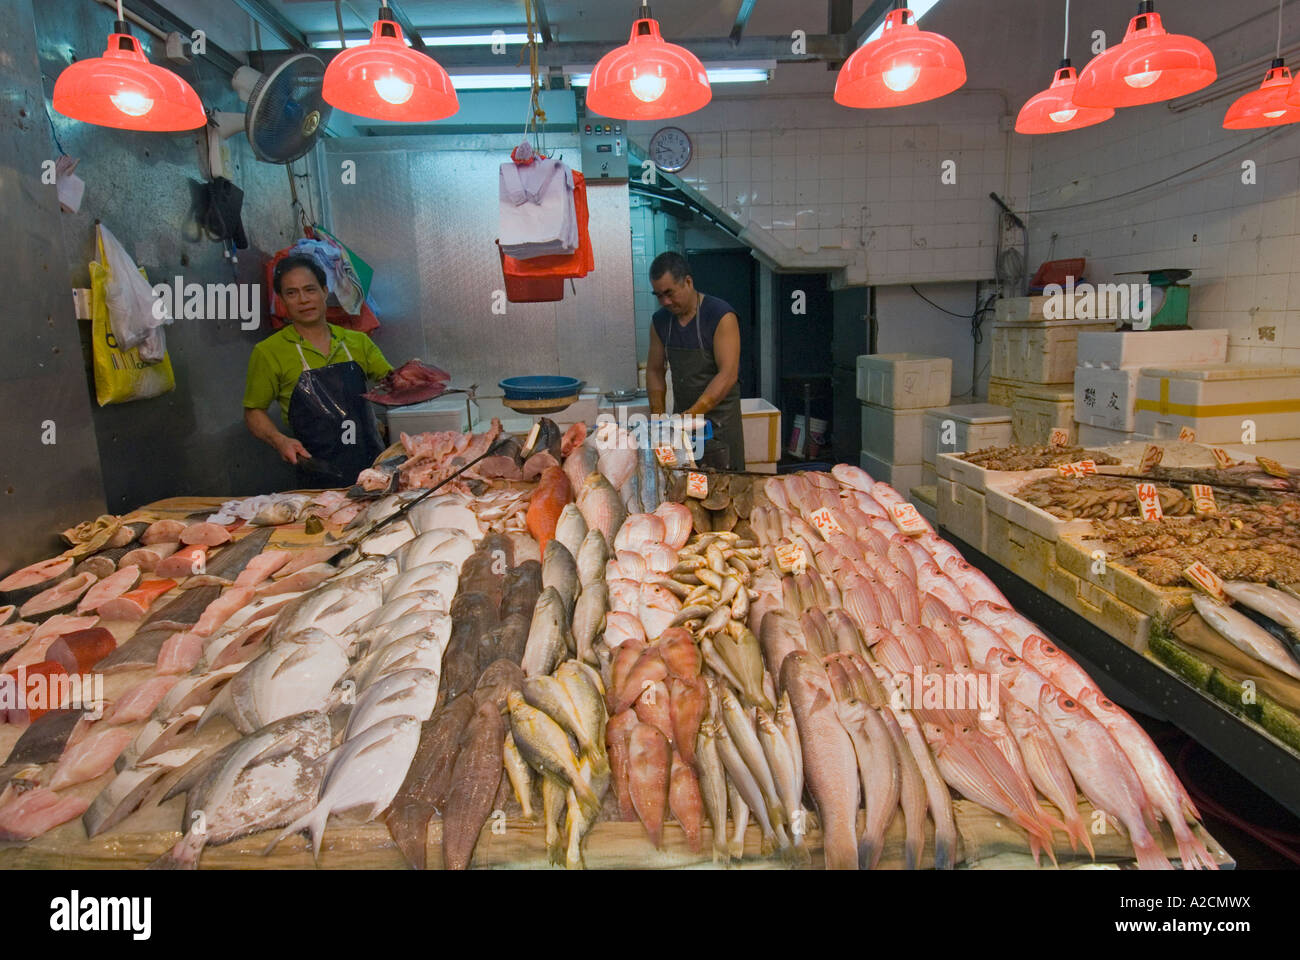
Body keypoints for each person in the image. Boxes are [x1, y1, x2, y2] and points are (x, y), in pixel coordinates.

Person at [243, 254, 392, 488]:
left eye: (310, 289)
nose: (303, 300)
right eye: (292, 293)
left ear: (324, 291)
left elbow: (391, 383)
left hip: (373, 470)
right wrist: (280, 441)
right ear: (282, 300)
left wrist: (411, 379)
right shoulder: (268, 352)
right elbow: (254, 412)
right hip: (317, 477)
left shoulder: (357, 342)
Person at [646, 251, 746, 470]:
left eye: (669, 293)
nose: (665, 301)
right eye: (658, 295)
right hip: (684, 423)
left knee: (726, 487)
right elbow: (654, 370)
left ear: (688, 282)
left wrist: (691, 415)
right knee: (688, 485)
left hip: (720, 423)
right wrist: (658, 417)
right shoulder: (660, 321)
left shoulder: (720, 315)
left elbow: (728, 374)